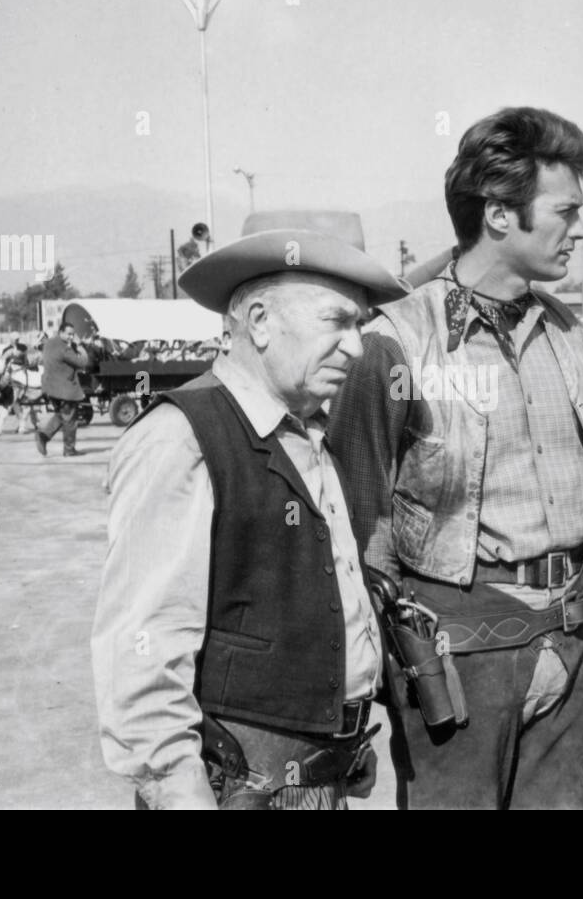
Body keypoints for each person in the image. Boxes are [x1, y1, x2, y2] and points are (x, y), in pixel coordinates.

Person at [328, 107, 583, 809]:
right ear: (498, 214)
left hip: (574, 633)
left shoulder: (568, 333)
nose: (580, 230)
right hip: (455, 652)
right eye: (566, 211)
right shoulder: (395, 342)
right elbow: (354, 518)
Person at [92, 219, 410, 809]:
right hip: (236, 786)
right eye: (336, 321)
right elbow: (144, 639)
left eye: (360, 326)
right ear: (260, 322)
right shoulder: (181, 439)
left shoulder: (308, 431)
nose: (357, 347)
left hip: (315, 776)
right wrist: (172, 782)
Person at [34, 324, 90, 457]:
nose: (71, 337)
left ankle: (43, 436)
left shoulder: (49, 343)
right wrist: (80, 346)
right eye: (69, 334)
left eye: (72, 334)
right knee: (70, 420)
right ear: (61, 332)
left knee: (61, 415)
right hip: (64, 389)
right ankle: (69, 449)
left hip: (50, 388)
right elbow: (83, 362)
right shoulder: (64, 348)